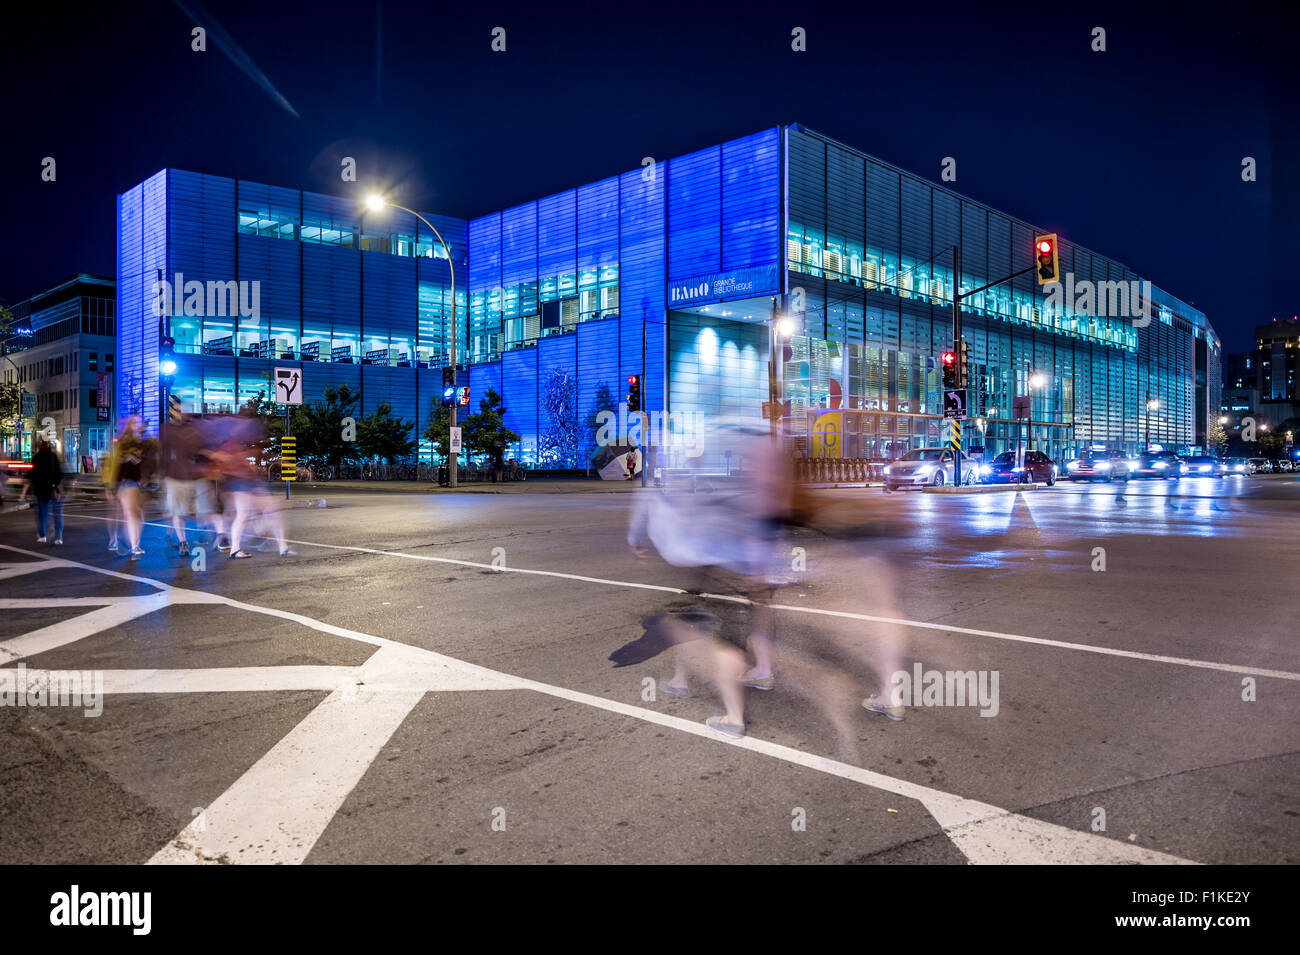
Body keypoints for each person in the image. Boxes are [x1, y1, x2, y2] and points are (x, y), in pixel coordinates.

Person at [114, 418, 157, 558]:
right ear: (130, 426)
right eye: (135, 423)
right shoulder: (126, 444)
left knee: (138, 516)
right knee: (133, 514)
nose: (138, 425)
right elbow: (119, 466)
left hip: (138, 484)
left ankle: (132, 541)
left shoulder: (143, 443)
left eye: (140, 423)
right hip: (128, 482)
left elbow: (153, 455)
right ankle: (134, 546)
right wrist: (113, 485)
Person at [27, 438, 65, 545]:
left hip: (40, 489)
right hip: (52, 489)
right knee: (57, 514)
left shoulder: (36, 457)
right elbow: (58, 473)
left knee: (41, 514)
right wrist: (56, 486)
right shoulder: (53, 457)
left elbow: (32, 474)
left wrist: (32, 487)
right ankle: (58, 538)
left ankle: (42, 535)